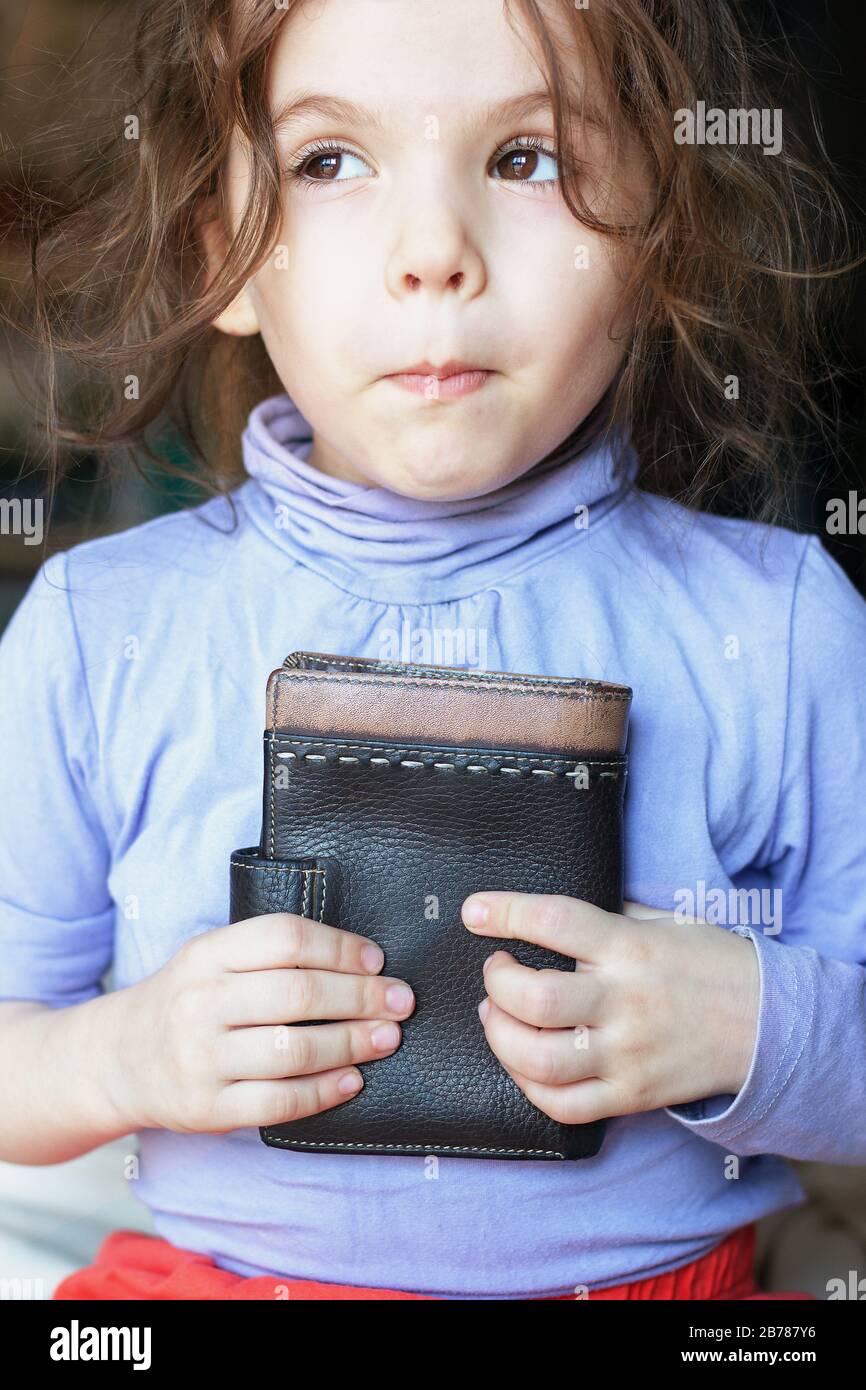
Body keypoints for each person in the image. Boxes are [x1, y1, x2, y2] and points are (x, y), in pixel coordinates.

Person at [0, 0, 863, 1301]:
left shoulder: (786, 621)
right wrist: (122, 1054)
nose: (431, 253)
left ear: (653, 226)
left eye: (526, 158)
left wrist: (752, 1024)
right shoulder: (99, 626)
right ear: (225, 247)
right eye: (329, 161)